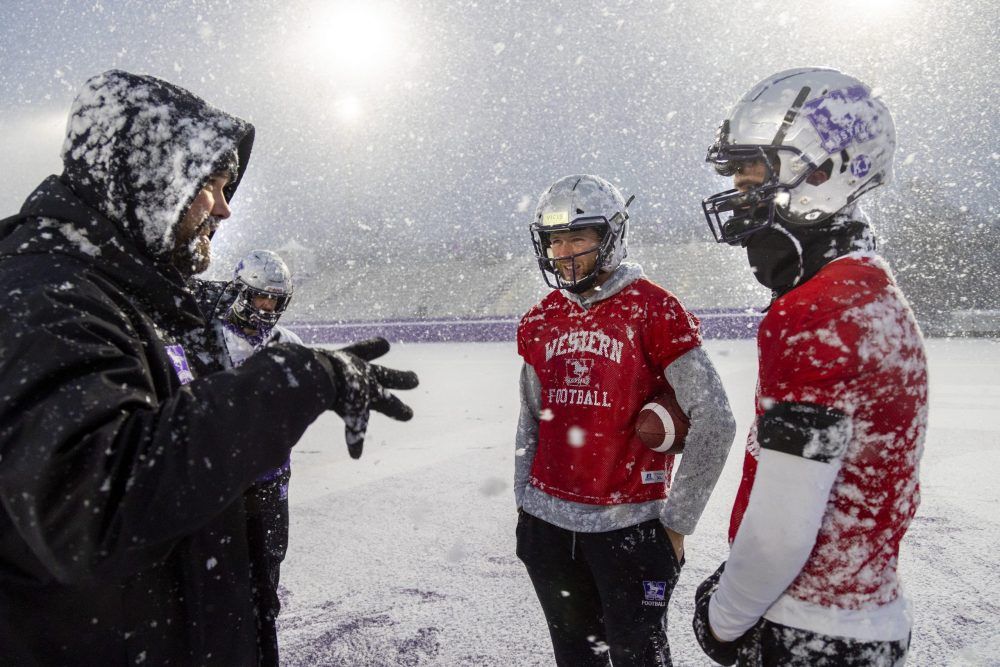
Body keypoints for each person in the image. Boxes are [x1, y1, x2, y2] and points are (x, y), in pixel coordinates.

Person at [0, 70, 418, 665]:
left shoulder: (132, 295)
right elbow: (90, 509)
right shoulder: (48, 296)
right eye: (212, 185)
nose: (224, 208)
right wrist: (285, 382)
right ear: (147, 180)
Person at [692, 67, 928, 666]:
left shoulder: (818, 309)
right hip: (867, 614)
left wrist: (725, 617)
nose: (740, 188)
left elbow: (781, 529)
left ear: (825, 170)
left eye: (754, 168)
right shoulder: (874, 292)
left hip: (807, 626)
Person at [514, 174, 736, 666]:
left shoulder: (654, 309)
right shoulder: (541, 319)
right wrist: (524, 502)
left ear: (610, 236)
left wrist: (676, 526)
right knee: (576, 658)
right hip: (548, 528)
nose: (565, 251)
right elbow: (532, 417)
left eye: (579, 237)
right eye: (555, 239)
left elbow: (716, 421)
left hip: (629, 529)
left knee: (641, 658)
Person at [189, 249, 303, 666]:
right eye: (261, 297)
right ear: (240, 292)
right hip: (220, 486)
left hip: (270, 483)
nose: (268, 307)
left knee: (265, 584)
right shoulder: (208, 339)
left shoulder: (288, 344)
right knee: (216, 585)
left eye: (276, 300)